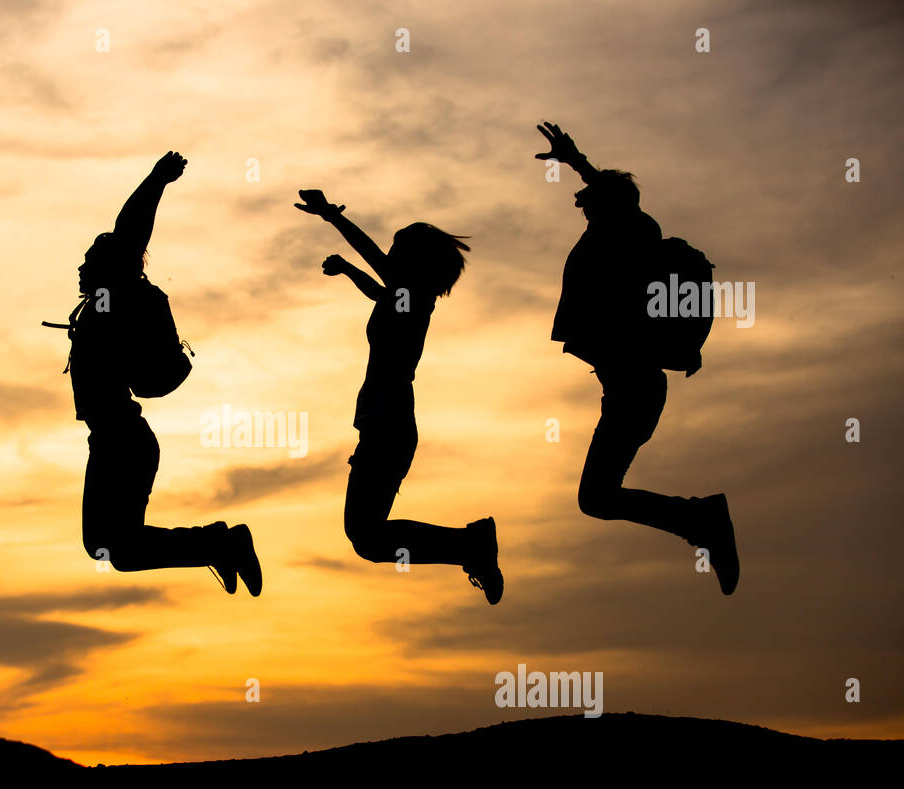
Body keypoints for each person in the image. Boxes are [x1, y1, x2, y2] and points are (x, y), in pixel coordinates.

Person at [534, 121, 739, 594]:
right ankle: (700, 520)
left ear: (610, 207)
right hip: (627, 387)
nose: (585, 214)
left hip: (636, 389)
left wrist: (580, 164)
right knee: (598, 498)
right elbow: (612, 198)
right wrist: (577, 163)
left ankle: (701, 520)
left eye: (591, 207)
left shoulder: (631, 234)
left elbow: (618, 204)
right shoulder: (618, 231)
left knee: (596, 497)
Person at [295, 189, 503, 603]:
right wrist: (347, 269)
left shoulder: (415, 295)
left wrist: (330, 215)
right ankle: (469, 544)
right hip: (386, 422)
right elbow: (379, 289)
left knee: (367, 537)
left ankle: (470, 544)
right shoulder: (404, 299)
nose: (391, 255)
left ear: (415, 261)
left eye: (397, 250)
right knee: (368, 538)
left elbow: (382, 268)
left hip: (388, 422)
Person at [68, 151, 261, 595]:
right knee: (107, 547)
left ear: (110, 268)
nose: (80, 267)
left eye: (88, 261)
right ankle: (218, 544)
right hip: (113, 439)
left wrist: (157, 180)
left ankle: (221, 543)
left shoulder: (113, 295)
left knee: (113, 548)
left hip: (123, 440)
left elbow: (129, 232)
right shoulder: (102, 306)